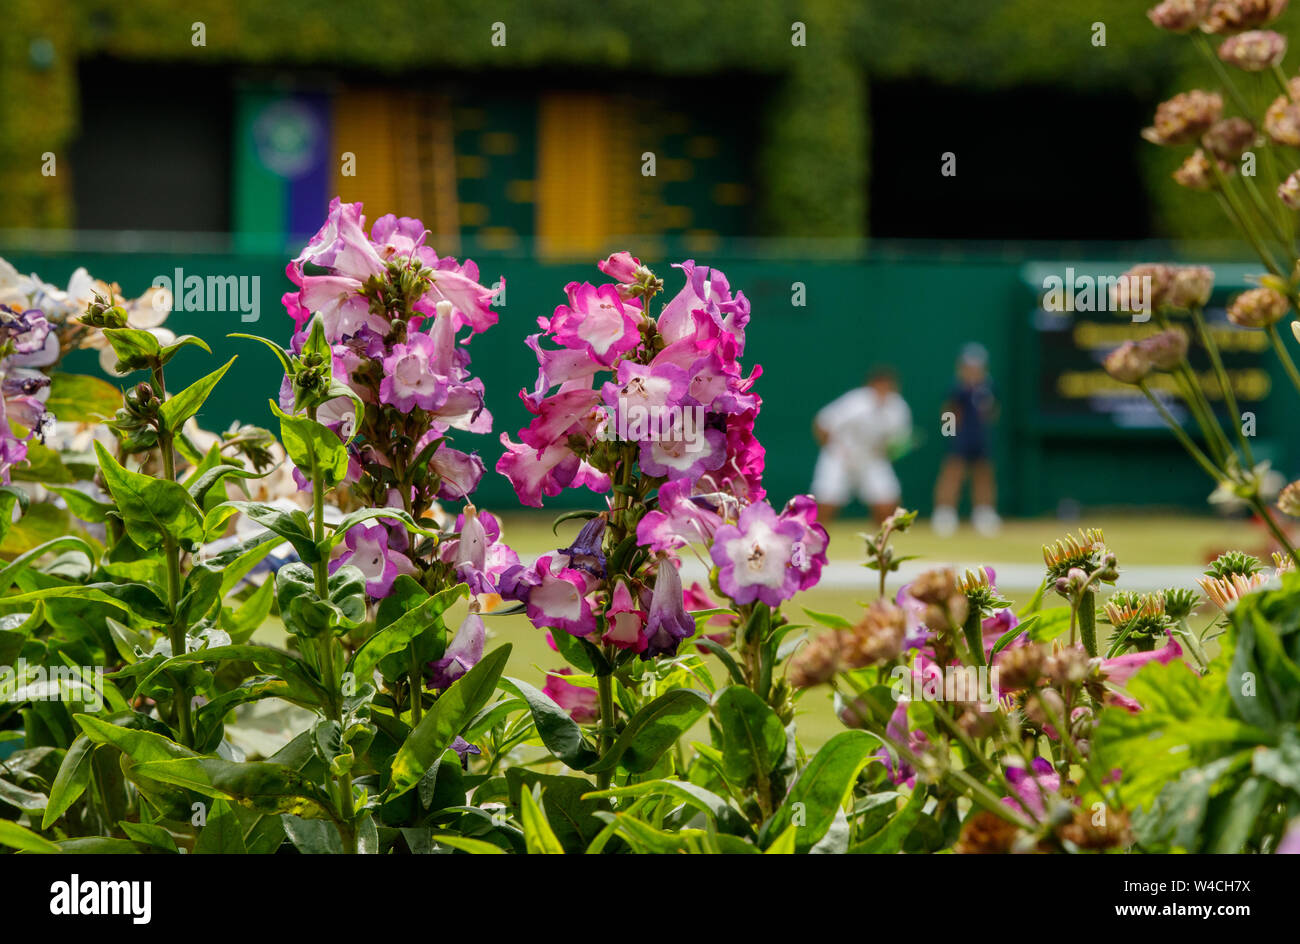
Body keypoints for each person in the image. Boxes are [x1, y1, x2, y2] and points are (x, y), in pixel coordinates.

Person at [811, 366, 912, 523]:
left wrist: (890, 451)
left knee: (888, 504)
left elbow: (898, 442)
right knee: (826, 502)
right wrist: (835, 450)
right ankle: (812, 541)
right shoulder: (856, 402)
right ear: (871, 386)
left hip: (872, 458)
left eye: (888, 386)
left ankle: (880, 544)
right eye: (880, 385)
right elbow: (822, 424)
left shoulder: (898, 408)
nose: (884, 390)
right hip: (840, 456)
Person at [932, 342, 1000, 537]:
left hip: (980, 437)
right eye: (969, 366)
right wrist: (950, 435)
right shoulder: (956, 387)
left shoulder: (989, 387)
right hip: (959, 438)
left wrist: (984, 427)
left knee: (983, 475)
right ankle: (944, 515)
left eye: (976, 366)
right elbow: (947, 411)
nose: (973, 370)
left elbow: (993, 412)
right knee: (953, 474)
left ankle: (984, 514)